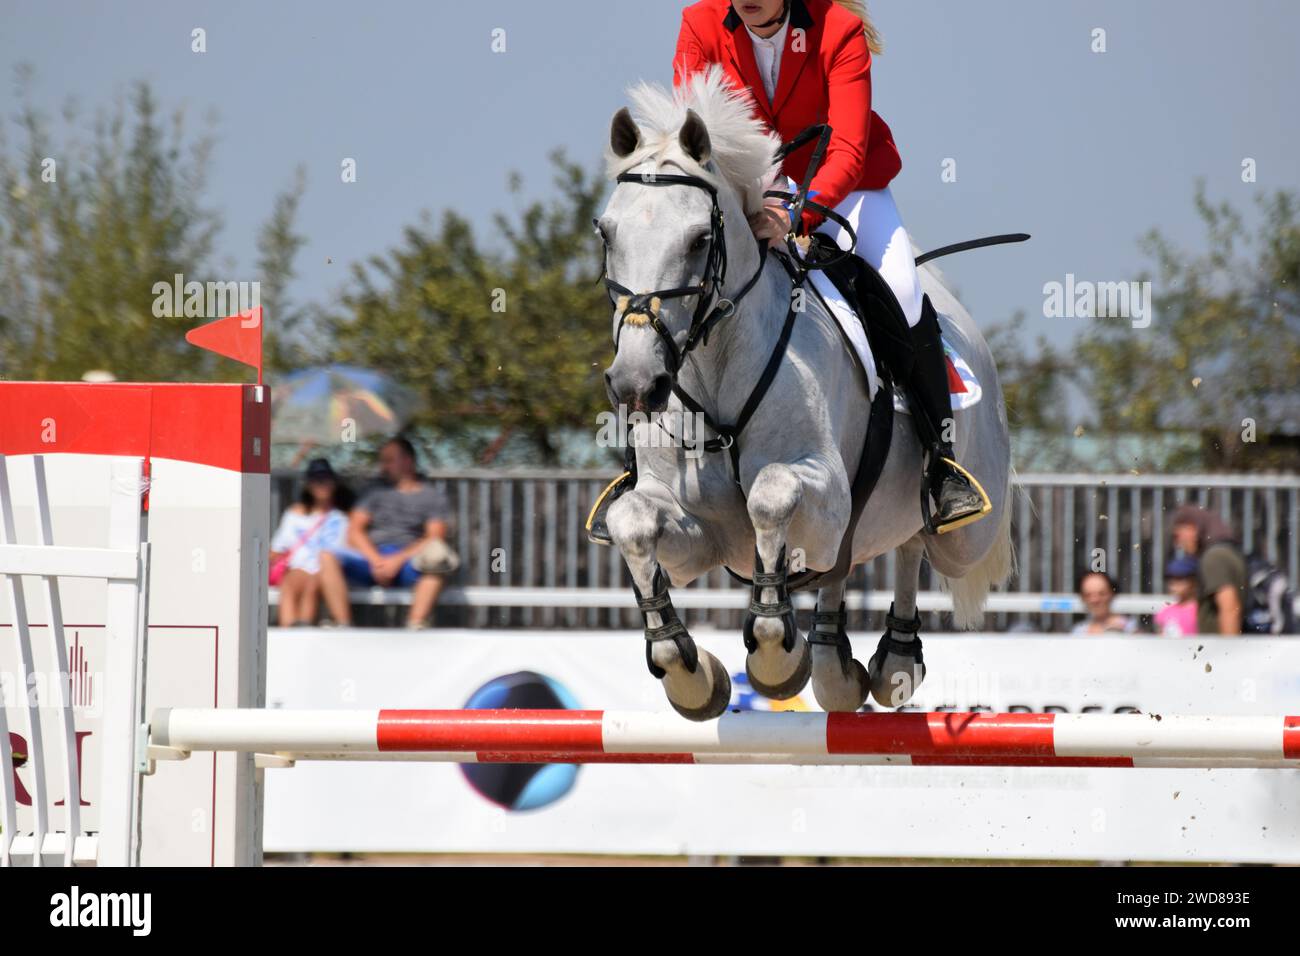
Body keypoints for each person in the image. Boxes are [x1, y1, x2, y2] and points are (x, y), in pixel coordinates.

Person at [587, 0, 985, 545]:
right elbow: (690, 136)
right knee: (668, 288)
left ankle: (941, 465)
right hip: (748, 187)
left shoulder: (837, 31)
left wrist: (799, 212)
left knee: (901, 286)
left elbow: (847, 145)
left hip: (845, 188)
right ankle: (643, 466)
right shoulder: (701, 22)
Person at [318, 437, 454, 629]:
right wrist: (376, 560)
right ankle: (342, 624)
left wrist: (397, 561)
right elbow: (354, 531)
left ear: (407, 461)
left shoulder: (432, 496)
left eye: (389, 460)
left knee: (437, 564)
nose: (383, 466)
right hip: (372, 560)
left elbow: (435, 538)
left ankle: (416, 625)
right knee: (326, 557)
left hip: (410, 562)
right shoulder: (372, 492)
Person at [269, 458, 352, 627]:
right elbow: (277, 548)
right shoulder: (295, 513)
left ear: (334, 483)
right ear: (308, 484)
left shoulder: (344, 516)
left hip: (330, 572)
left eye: (325, 479)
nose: (321, 485)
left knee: (313, 581)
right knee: (292, 582)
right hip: (299, 570)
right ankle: (290, 632)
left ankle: (304, 629)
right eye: (316, 480)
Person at [1170, 505, 1246, 636]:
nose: (1178, 543)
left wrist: (1228, 652)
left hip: (1223, 651)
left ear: (1192, 529)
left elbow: (1230, 608)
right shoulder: (1224, 553)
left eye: (1177, 535)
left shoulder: (1214, 558)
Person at [1071, 571, 1138, 635]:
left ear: (1112, 594)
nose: (1095, 600)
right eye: (1088, 595)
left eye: (1101, 594)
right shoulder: (1079, 631)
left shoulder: (1129, 627)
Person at [1155, 556, 1199, 638]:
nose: (1173, 584)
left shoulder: (1199, 611)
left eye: (1179, 578)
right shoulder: (1165, 611)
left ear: (1193, 581)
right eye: (1170, 579)